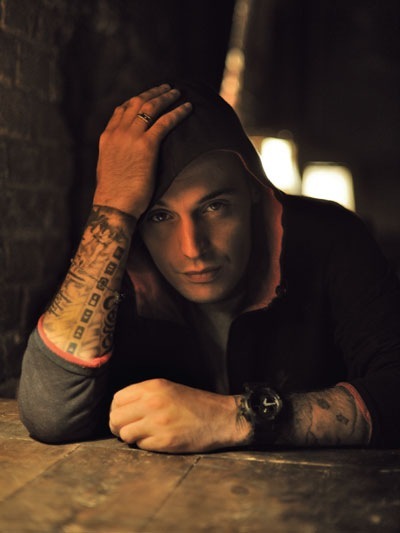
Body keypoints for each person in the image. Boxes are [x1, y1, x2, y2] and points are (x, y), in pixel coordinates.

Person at [19, 82, 400, 452]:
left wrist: (234, 418)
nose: (192, 249)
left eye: (215, 207)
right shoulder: (121, 258)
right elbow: (50, 413)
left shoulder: (329, 237)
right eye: (160, 216)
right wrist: (113, 207)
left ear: (255, 190)